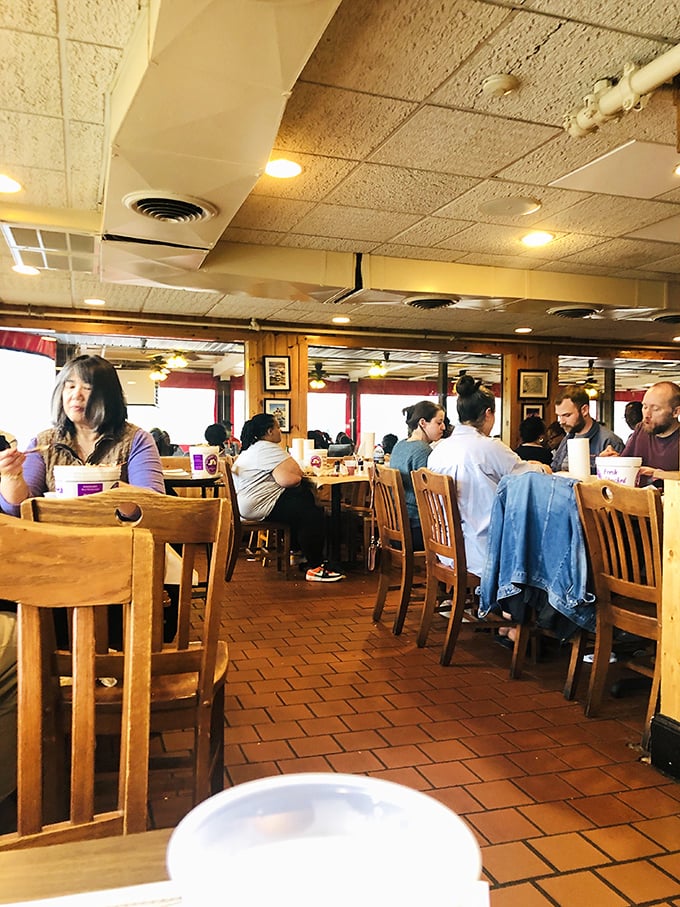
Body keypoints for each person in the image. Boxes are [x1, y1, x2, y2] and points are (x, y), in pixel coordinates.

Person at [0, 354, 164, 516]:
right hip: (54, 538)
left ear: (108, 396)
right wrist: (11, 475)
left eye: (87, 388)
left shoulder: (136, 440)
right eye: (70, 387)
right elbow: (18, 509)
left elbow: (155, 506)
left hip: (119, 539)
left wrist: (102, 485)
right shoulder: (44, 441)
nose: (76, 395)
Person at [428, 374, 550, 580]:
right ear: (488, 413)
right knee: (545, 541)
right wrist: (544, 468)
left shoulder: (438, 450)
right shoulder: (489, 446)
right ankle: (514, 606)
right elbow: (526, 473)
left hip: (445, 547)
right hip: (481, 552)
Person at [232, 413, 344, 582]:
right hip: (258, 505)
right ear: (270, 431)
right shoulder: (268, 448)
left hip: (246, 505)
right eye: (277, 427)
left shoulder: (253, 449)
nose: (280, 431)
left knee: (303, 499)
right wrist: (296, 479)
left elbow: (285, 478)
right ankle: (315, 566)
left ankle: (298, 553)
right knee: (311, 513)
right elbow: (296, 472)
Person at [388, 401, 445, 549]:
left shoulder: (399, 445)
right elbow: (431, 495)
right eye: (439, 422)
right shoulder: (422, 450)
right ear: (422, 423)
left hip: (396, 524)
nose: (443, 427)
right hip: (416, 529)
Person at [599, 381, 680, 485]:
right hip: (638, 498)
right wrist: (610, 460)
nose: (647, 414)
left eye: (655, 409)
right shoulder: (641, 429)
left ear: (676, 412)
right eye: (645, 407)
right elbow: (626, 464)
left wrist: (657, 474)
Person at [551, 386, 624, 473]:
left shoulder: (609, 441)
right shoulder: (568, 437)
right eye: (559, 416)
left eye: (567, 415)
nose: (561, 421)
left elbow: (617, 481)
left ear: (584, 410)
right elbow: (554, 469)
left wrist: (602, 465)